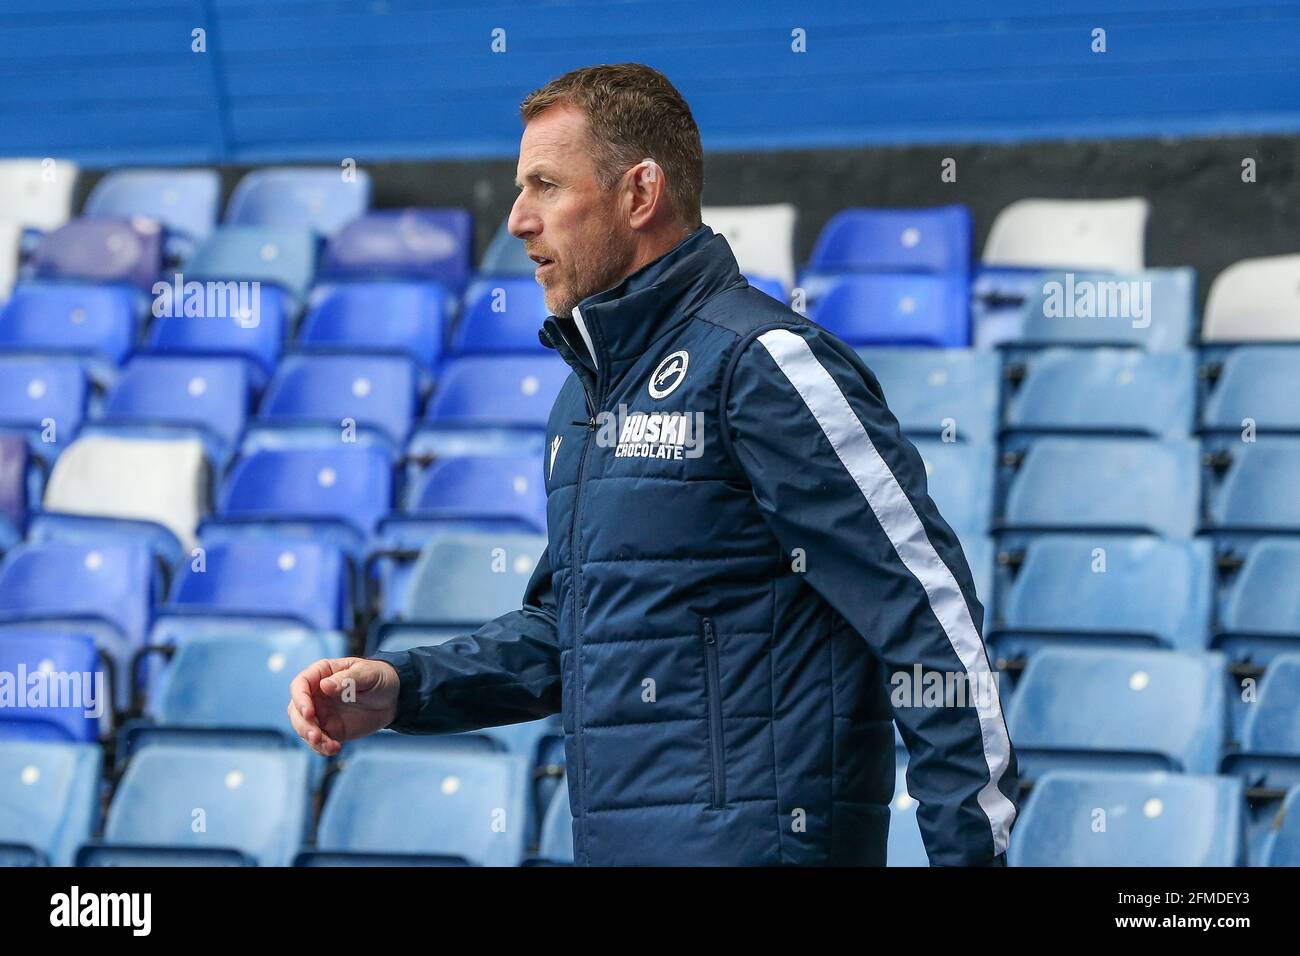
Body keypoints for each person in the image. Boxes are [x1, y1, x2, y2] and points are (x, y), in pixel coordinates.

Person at [289, 62, 1018, 866]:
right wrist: (404, 689)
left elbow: (929, 619)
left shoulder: (763, 363)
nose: (518, 221)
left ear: (640, 194)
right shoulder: (584, 399)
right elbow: (568, 634)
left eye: (544, 185)